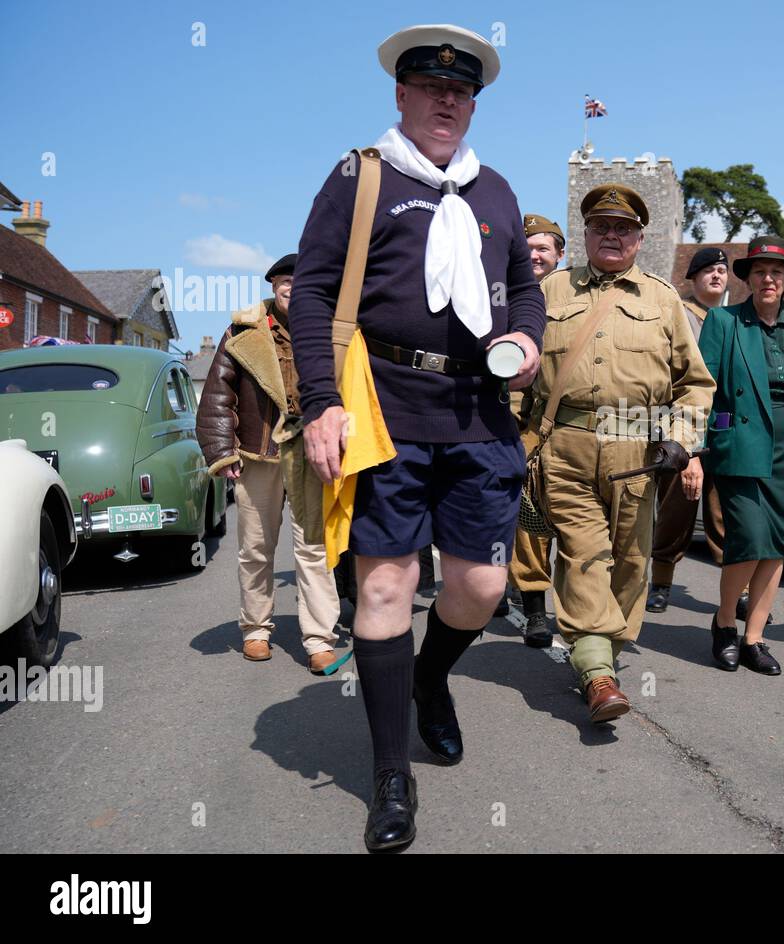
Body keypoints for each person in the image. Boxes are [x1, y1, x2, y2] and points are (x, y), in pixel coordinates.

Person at [288, 24, 546, 852]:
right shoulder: (360, 177)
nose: (447, 100)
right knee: (387, 589)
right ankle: (390, 776)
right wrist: (323, 400)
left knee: (478, 586)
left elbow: (523, 290)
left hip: (480, 413)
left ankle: (431, 679)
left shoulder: (496, 191)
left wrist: (530, 341)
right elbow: (314, 291)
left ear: (473, 104)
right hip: (385, 410)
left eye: (462, 92)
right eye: (432, 88)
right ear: (401, 95)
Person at [532, 183, 714, 723]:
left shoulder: (663, 301)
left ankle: (599, 649)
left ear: (639, 238)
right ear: (585, 235)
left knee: (632, 561)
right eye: (601, 227)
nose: (612, 236)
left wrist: (681, 438)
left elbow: (695, 385)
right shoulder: (547, 293)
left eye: (624, 229)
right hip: (564, 445)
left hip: (638, 447)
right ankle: (597, 673)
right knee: (585, 553)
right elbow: (519, 377)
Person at [197, 254, 345, 674]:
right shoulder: (242, 332)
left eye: (303, 280)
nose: (292, 288)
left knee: (314, 550)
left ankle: (319, 639)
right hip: (256, 456)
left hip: (312, 453)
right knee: (256, 550)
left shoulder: (330, 331)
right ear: (274, 285)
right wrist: (222, 452)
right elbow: (217, 398)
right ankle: (256, 631)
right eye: (285, 281)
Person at [697, 237, 784, 675]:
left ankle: (754, 637)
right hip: (741, 444)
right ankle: (723, 623)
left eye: (777, 272)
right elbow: (703, 390)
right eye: (759, 272)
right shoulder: (723, 321)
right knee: (750, 540)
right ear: (748, 278)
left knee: (777, 547)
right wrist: (699, 451)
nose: (768, 279)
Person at [646, 247, 729, 615]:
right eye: (708, 270)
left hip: (724, 429)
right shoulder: (677, 313)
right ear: (692, 279)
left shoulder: (733, 320)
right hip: (683, 424)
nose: (716, 276)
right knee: (675, 509)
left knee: (725, 514)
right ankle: (661, 582)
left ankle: (737, 592)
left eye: (722, 271)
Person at [507, 213, 566, 647]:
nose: (534, 255)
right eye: (527, 247)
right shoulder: (499, 295)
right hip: (512, 422)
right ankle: (533, 610)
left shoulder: (573, 297)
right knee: (526, 518)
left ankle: (581, 610)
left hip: (565, 423)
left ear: (560, 255)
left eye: (543, 248)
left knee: (569, 523)